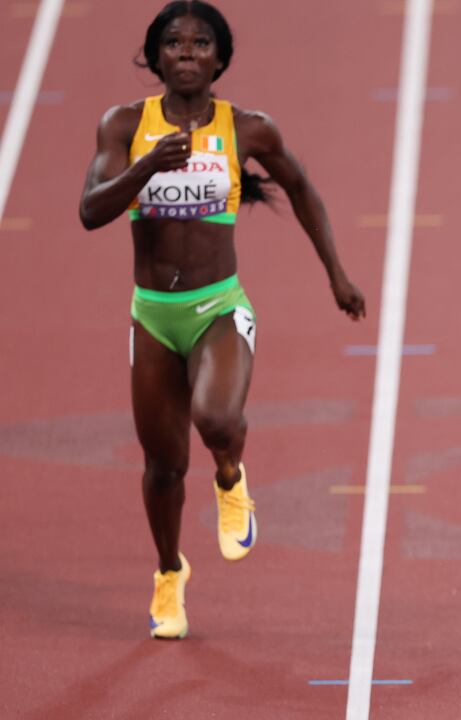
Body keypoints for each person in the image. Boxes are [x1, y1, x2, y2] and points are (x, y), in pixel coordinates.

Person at [79, 0, 365, 639]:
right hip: (153, 314)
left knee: (215, 417)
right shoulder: (125, 125)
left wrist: (336, 274)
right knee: (163, 466)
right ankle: (168, 572)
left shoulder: (247, 129)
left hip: (217, 306)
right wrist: (145, 166)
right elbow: (91, 210)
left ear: (220, 58)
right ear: (155, 57)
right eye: (173, 44)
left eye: (200, 43)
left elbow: (300, 187)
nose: (186, 53)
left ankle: (232, 477)